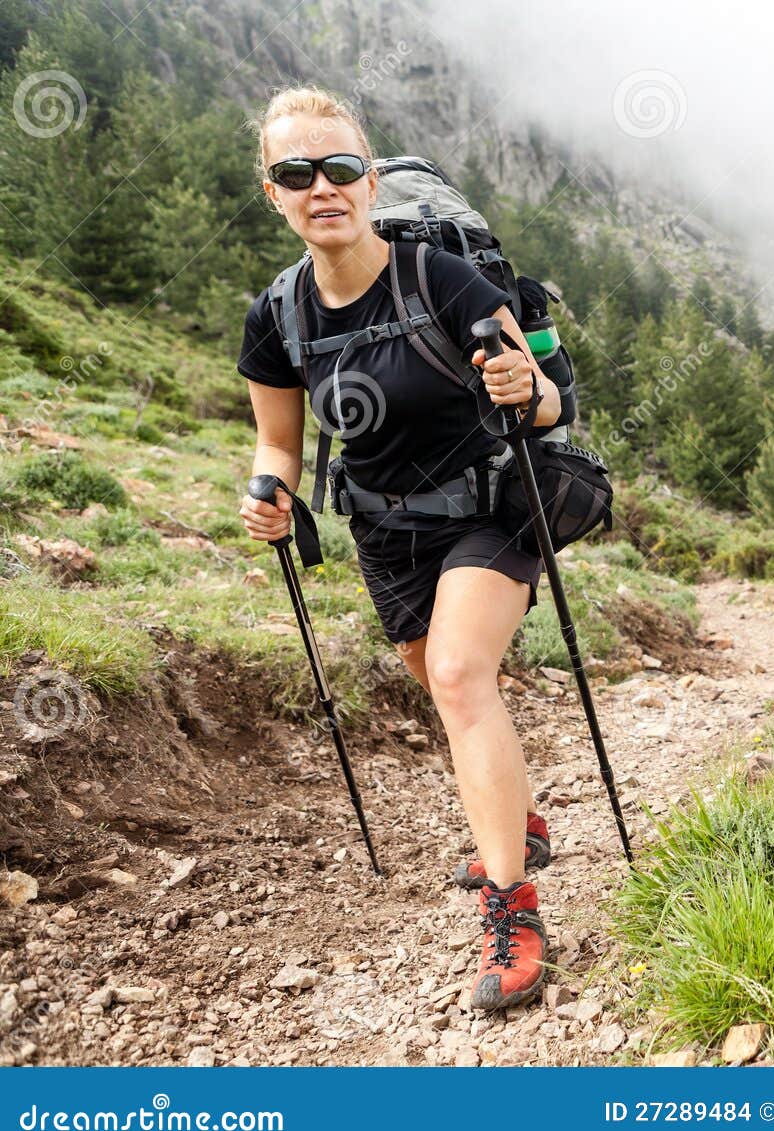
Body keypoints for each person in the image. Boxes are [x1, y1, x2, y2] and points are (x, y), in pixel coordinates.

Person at [235, 85, 561, 1011]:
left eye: (339, 167)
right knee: (439, 677)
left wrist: (519, 382)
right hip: (382, 526)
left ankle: (514, 910)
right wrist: (270, 493)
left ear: (369, 180)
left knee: (460, 675)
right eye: (296, 172)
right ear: (274, 192)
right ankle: (519, 821)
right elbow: (278, 443)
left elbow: (547, 403)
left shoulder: (441, 279)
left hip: (487, 507)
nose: (321, 186)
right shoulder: (279, 316)